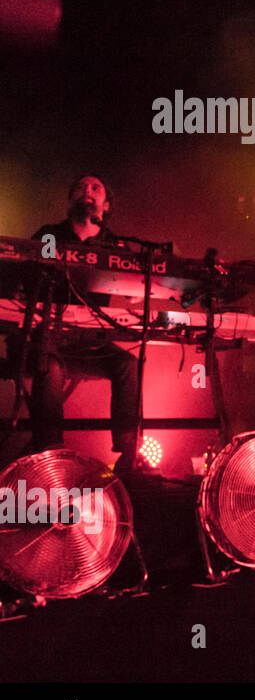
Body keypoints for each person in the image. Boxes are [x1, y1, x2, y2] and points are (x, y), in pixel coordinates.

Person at [22, 175, 142, 475]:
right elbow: (25, 273)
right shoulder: (50, 235)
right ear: (70, 201)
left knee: (128, 364)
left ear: (106, 205)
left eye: (95, 188)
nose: (87, 191)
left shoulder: (114, 245)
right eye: (80, 187)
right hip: (49, 337)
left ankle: (128, 454)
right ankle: (50, 455)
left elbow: (135, 289)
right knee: (49, 367)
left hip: (92, 342)